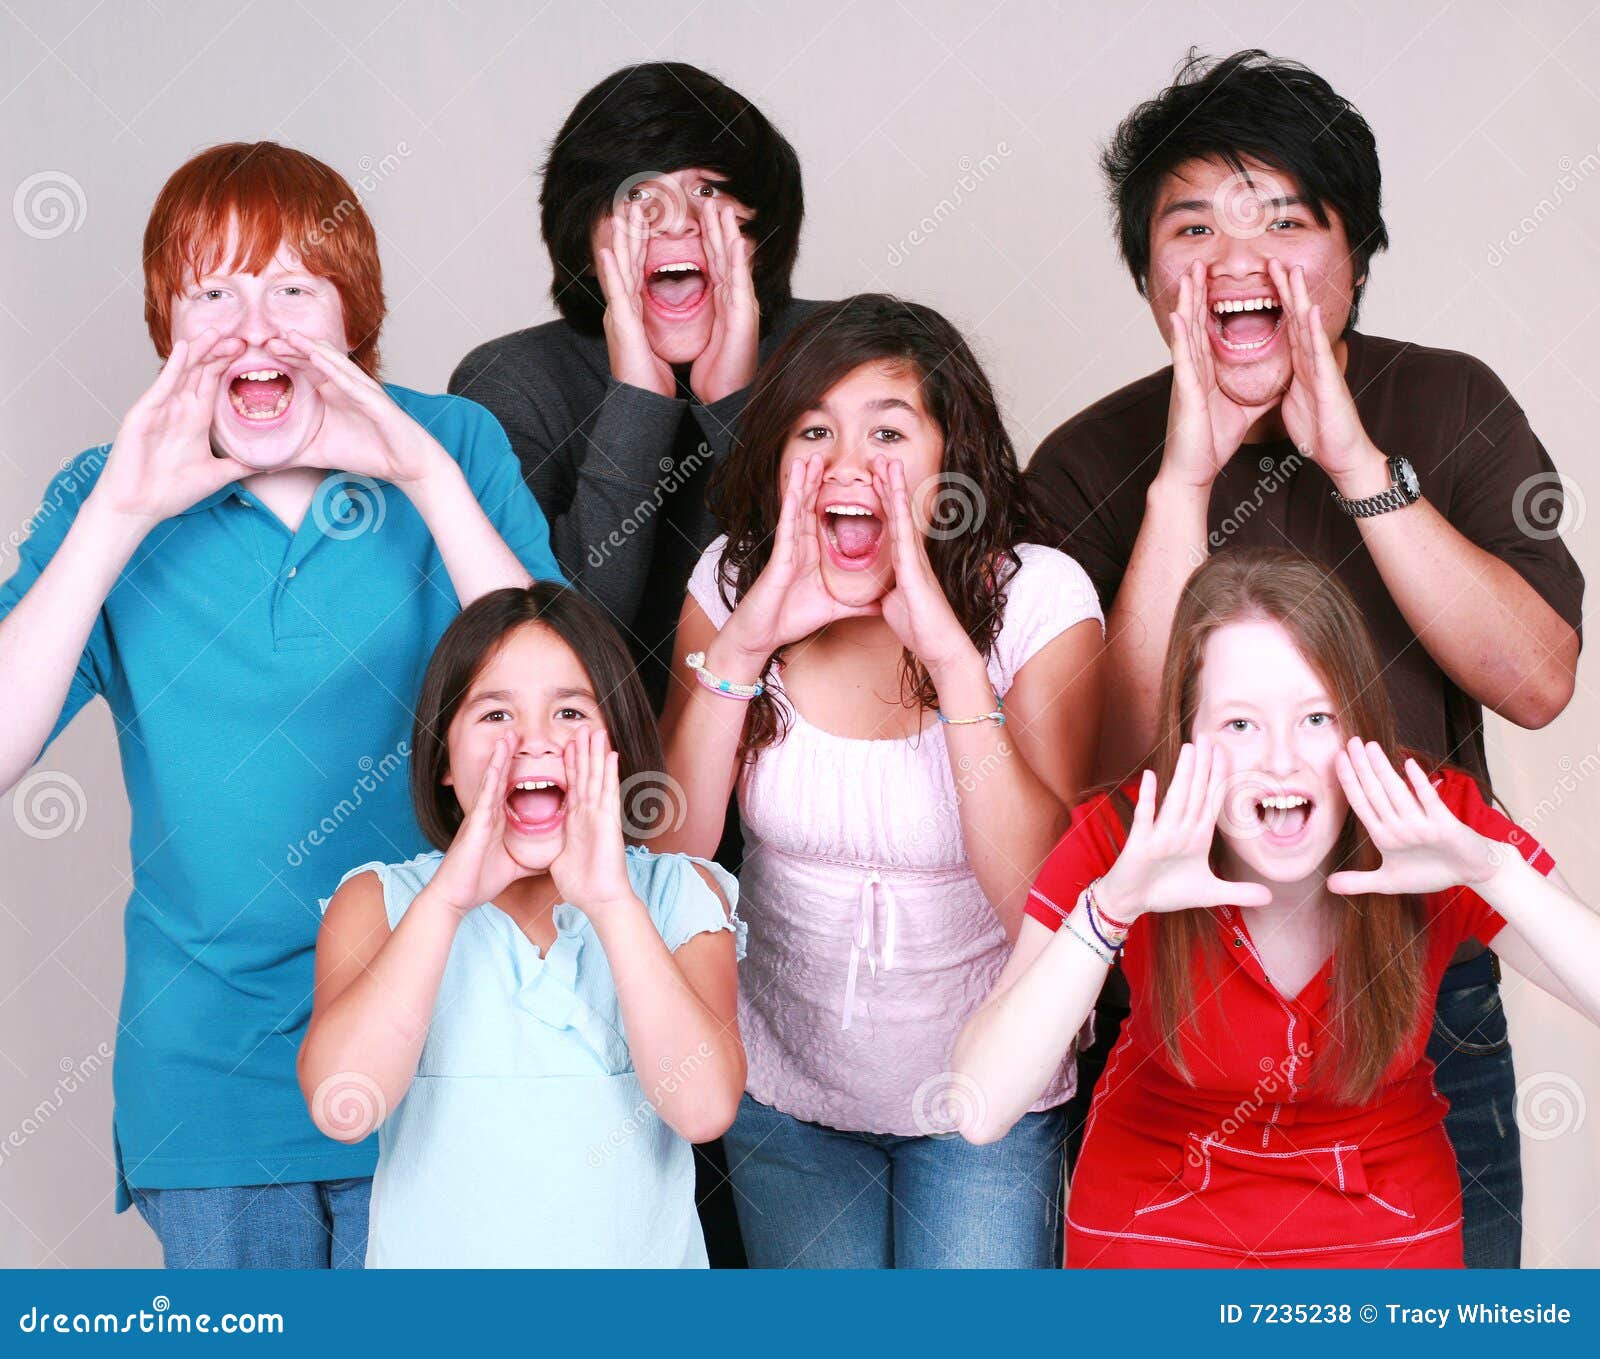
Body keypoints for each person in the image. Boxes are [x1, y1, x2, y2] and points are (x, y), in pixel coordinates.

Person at [1027, 50, 1584, 1265]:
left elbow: (1540, 681)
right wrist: (1181, 484)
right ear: (1147, 273)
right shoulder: (1081, 463)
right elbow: (1100, 769)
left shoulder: (1450, 402)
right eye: (1193, 226)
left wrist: (1357, 471)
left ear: (1355, 258)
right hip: (1172, 1007)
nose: (1240, 259)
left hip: (1414, 988)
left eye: (1283, 217)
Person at [0, 142, 562, 1268]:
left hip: (442, 1042)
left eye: (293, 288)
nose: (253, 324)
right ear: (169, 325)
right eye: (213, 292)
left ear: (354, 316)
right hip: (206, 1073)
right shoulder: (103, 492)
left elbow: (557, 712)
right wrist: (117, 515)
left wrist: (421, 477)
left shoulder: (451, 446)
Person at [953, 549, 1600, 1268]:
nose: (1282, 760)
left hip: (1384, 1244)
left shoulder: (1427, 814)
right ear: (1188, 736)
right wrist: (1111, 907)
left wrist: (1490, 871)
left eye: (1316, 716)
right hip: (1152, 1237)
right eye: (1239, 725)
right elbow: (981, 1106)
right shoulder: (1128, 831)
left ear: (1360, 723)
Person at [657, 295, 1104, 1268]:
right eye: (814, 429)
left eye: (888, 430)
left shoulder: (1037, 598)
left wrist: (950, 664)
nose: (846, 462)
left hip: (986, 1104)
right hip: (787, 1100)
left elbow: (1041, 896)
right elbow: (670, 856)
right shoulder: (731, 585)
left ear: (953, 458)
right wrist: (743, 644)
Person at [300, 584, 745, 1267]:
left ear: (619, 742)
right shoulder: (379, 902)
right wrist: (447, 901)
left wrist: (610, 902)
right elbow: (341, 1107)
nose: (533, 740)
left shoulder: (679, 894)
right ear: (444, 759)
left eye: (570, 710)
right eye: (495, 713)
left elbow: (704, 1108)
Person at [450, 61, 819, 712]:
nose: (675, 222)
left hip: (807, 791)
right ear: (586, 233)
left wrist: (737, 407)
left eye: (708, 191)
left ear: (761, 230)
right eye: (637, 197)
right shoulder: (513, 382)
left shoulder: (847, 356)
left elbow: (839, 615)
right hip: (596, 789)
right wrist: (638, 403)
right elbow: (546, 659)